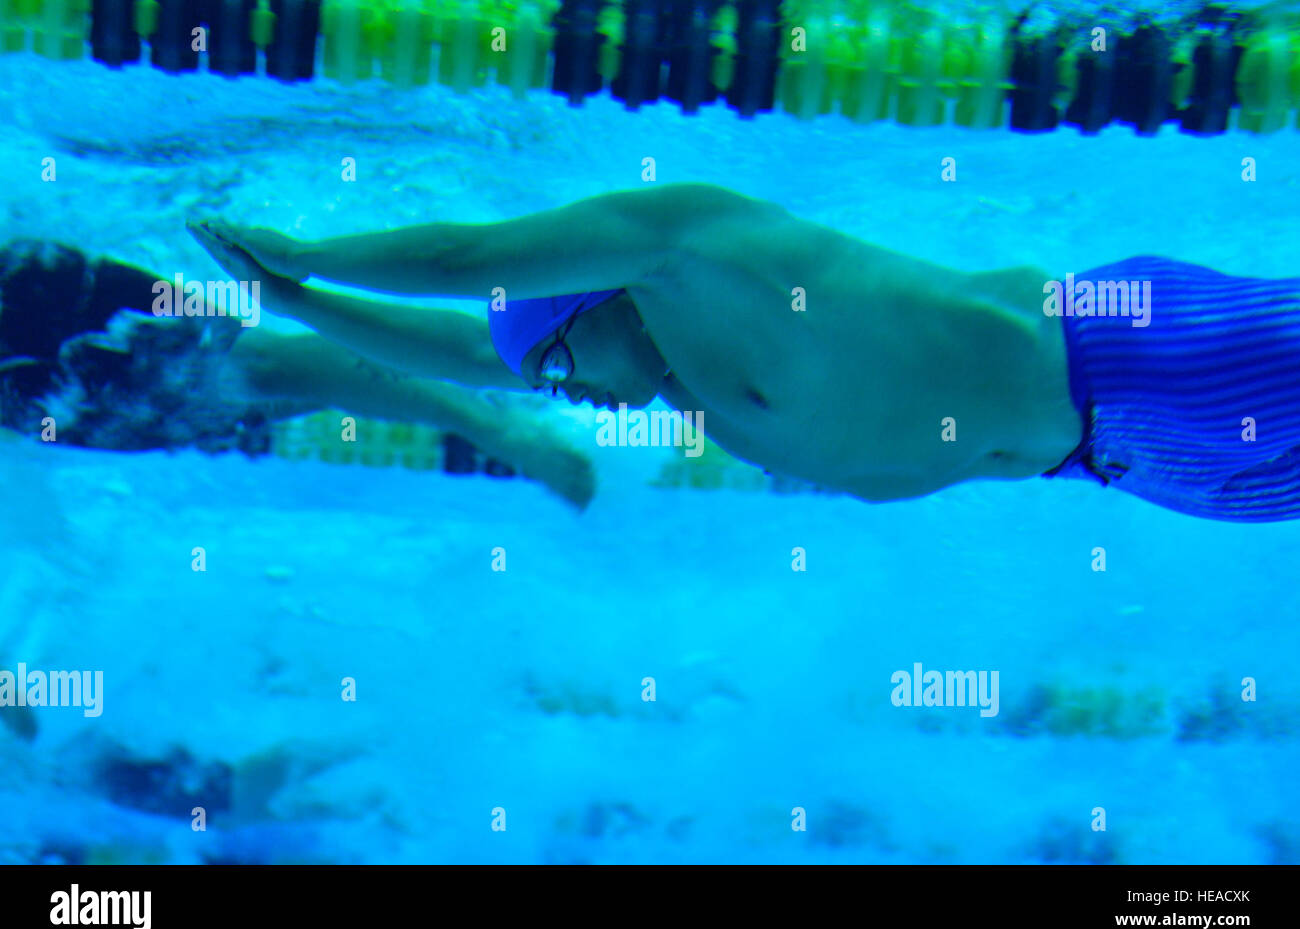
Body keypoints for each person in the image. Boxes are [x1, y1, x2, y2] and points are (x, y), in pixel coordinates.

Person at [192, 182, 1300, 523]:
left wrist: (308, 248)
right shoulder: (677, 383)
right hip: (1132, 468)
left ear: (586, 306)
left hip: (1143, 359)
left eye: (565, 373)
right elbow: (462, 352)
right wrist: (290, 301)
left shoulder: (693, 251)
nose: (587, 405)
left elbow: (464, 258)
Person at [0, 240, 595, 508]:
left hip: (43, 320)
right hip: (42, 360)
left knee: (253, 374)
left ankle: (490, 420)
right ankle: (488, 411)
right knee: (247, 385)